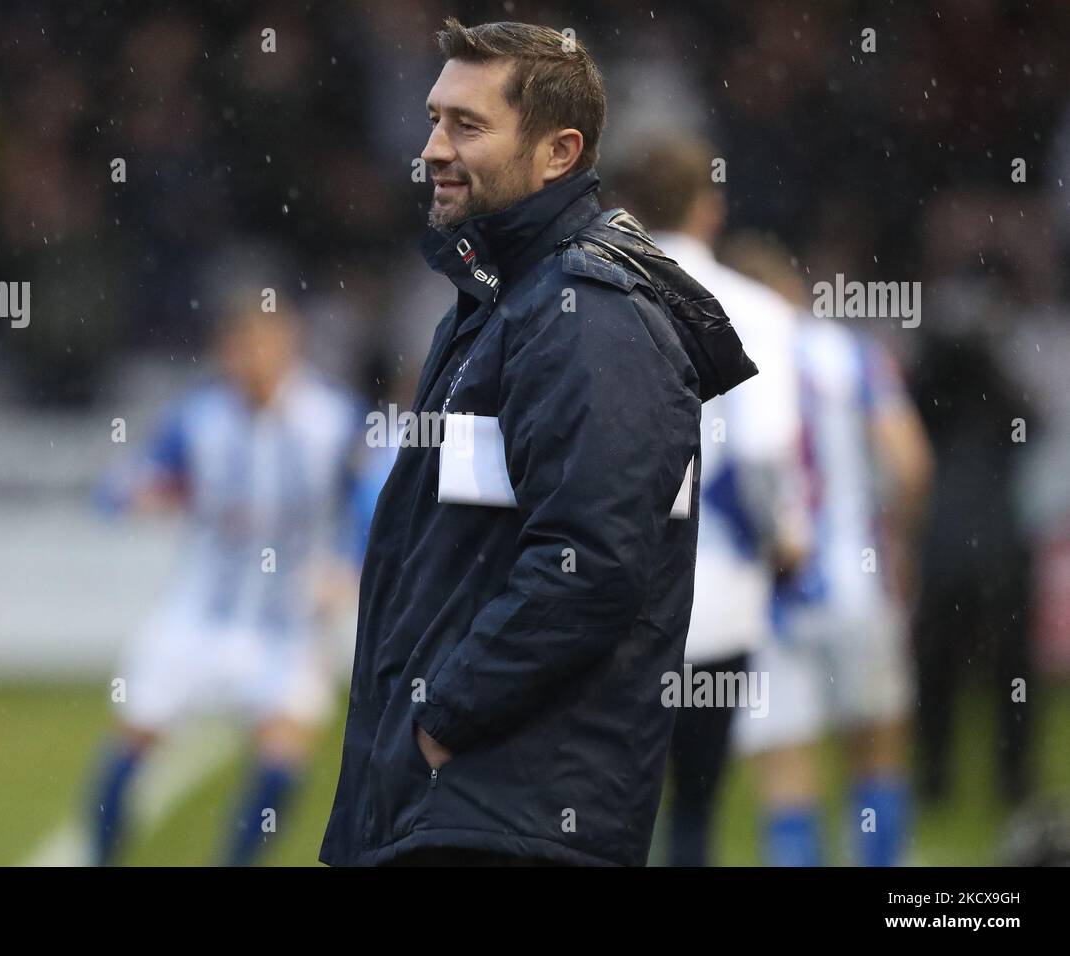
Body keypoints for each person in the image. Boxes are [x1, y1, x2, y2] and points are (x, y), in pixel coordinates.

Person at [319, 19, 756, 868]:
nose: (433, 148)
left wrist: (442, 721)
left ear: (560, 152)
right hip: (458, 810)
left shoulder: (590, 315)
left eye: (467, 126)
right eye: (434, 118)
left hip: (507, 820)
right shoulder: (502, 299)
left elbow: (590, 565)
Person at [88, 296, 366, 866]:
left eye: (266, 347)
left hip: (287, 621)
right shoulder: (199, 418)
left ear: (290, 348)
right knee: (132, 739)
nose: (253, 361)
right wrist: (140, 494)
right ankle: (101, 857)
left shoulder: (331, 418)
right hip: (199, 613)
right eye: (242, 348)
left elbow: (373, 496)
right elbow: (117, 487)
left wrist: (347, 564)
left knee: (283, 757)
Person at [612, 136, 808, 866]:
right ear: (709, 206)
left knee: (596, 808)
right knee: (693, 808)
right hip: (716, 590)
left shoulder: (584, 294)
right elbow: (761, 458)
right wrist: (787, 543)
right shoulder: (756, 309)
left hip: (602, 585)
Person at [722, 234, 933, 866]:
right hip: (857, 584)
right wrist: (900, 544)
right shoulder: (851, 355)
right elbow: (910, 463)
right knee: (876, 756)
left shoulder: (726, 366)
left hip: (770, 597)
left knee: (787, 771)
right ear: (794, 286)